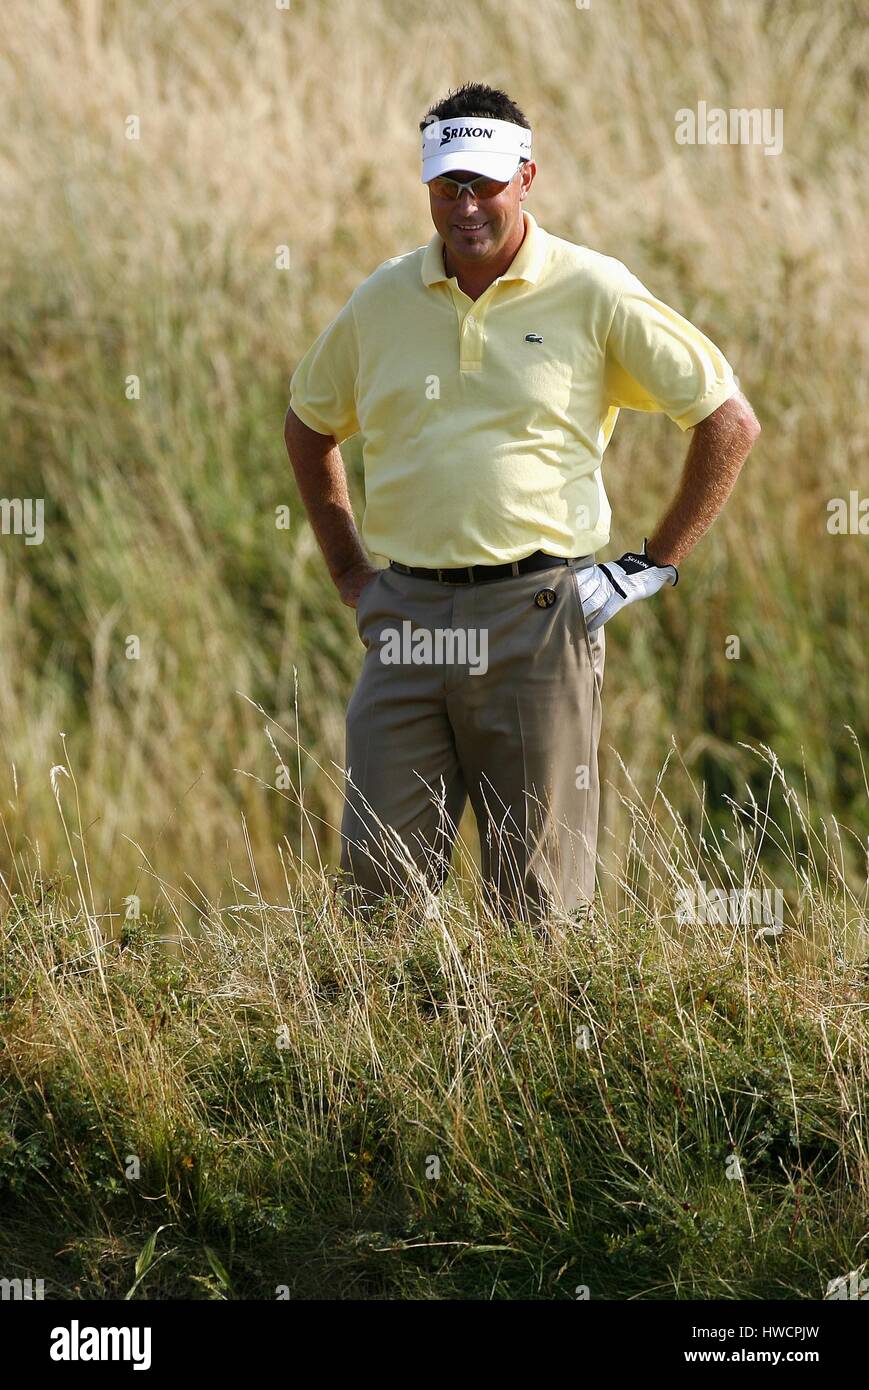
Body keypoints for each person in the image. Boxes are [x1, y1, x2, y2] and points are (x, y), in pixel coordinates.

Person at [284, 82, 760, 926]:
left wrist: (651, 565)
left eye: (484, 185)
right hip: (406, 618)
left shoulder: (592, 288)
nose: (464, 206)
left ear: (526, 177)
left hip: (537, 616)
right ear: (427, 186)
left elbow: (725, 420)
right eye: (446, 186)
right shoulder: (382, 299)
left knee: (538, 907)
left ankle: (537, 1057)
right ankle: (387, 1058)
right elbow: (309, 423)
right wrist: (349, 567)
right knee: (376, 899)